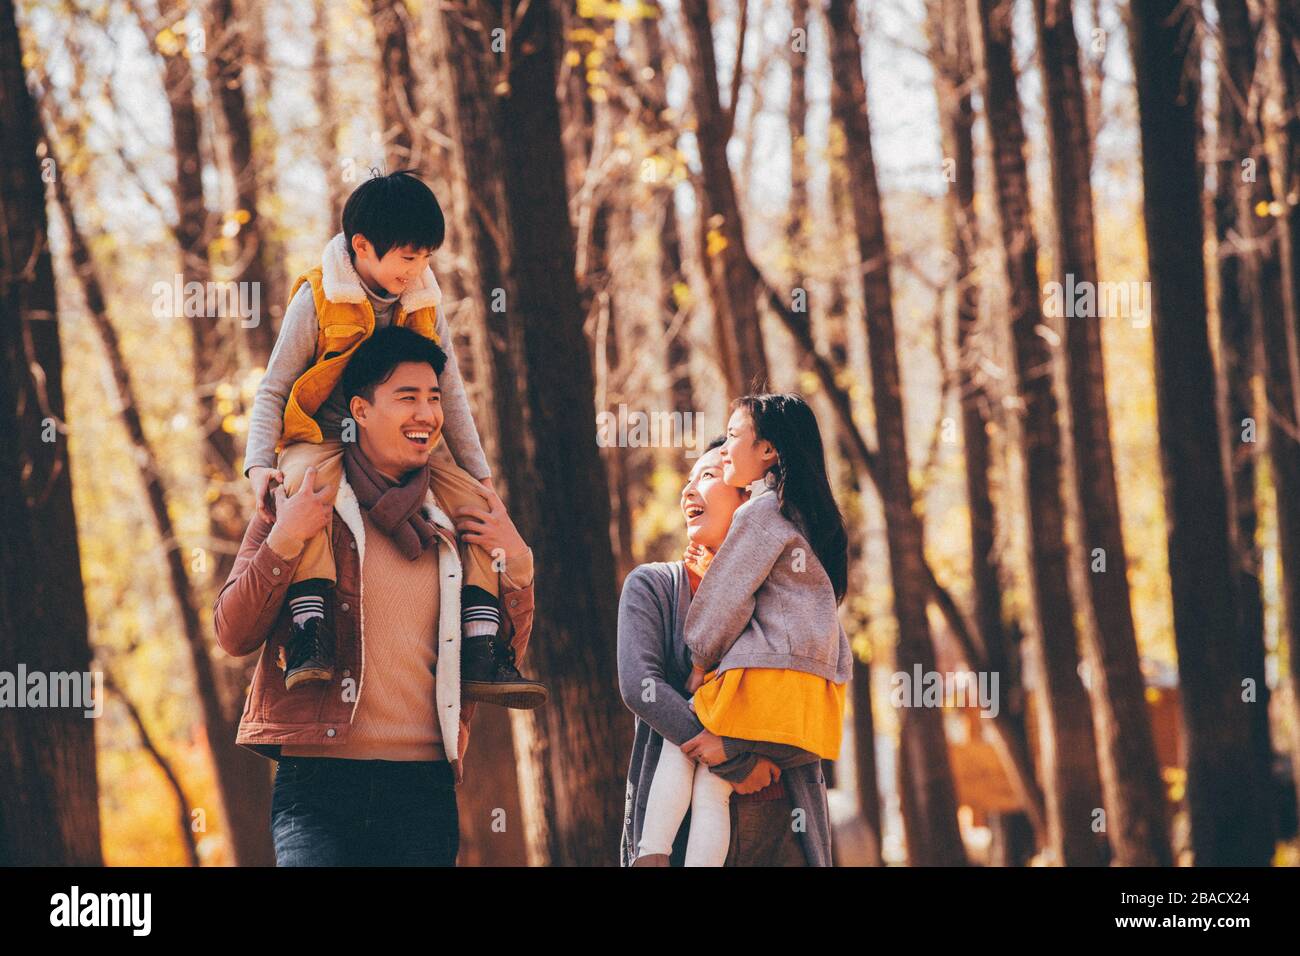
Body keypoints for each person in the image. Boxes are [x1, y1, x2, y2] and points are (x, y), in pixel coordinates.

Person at [213, 326, 537, 865]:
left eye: (434, 398)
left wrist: (520, 571)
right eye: (407, 397)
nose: (427, 414)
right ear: (360, 410)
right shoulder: (302, 496)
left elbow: (499, 659)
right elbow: (232, 632)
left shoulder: (459, 514)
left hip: (422, 790)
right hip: (317, 785)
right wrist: (285, 538)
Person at [243, 169, 543, 707]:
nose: (418, 269)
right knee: (306, 493)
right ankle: (310, 631)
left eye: (426, 257)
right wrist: (258, 464)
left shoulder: (424, 300)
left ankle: (479, 644)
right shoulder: (318, 298)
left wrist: (481, 476)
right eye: (408, 257)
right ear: (362, 247)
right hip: (323, 434)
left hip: (396, 440)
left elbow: (449, 393)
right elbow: (273, 388)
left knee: (476, 505)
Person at [632, 394, 852, 866]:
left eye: (711, 472)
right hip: (812, 704)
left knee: (682, 743)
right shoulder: (804, 523)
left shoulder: (761, 514)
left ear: (767, 454)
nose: (690, 490)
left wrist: (698, 663)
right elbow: (639, 687)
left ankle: (650, 853)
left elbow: (724, 601)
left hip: (769, 706)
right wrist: (737, 759)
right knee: (714, 786)